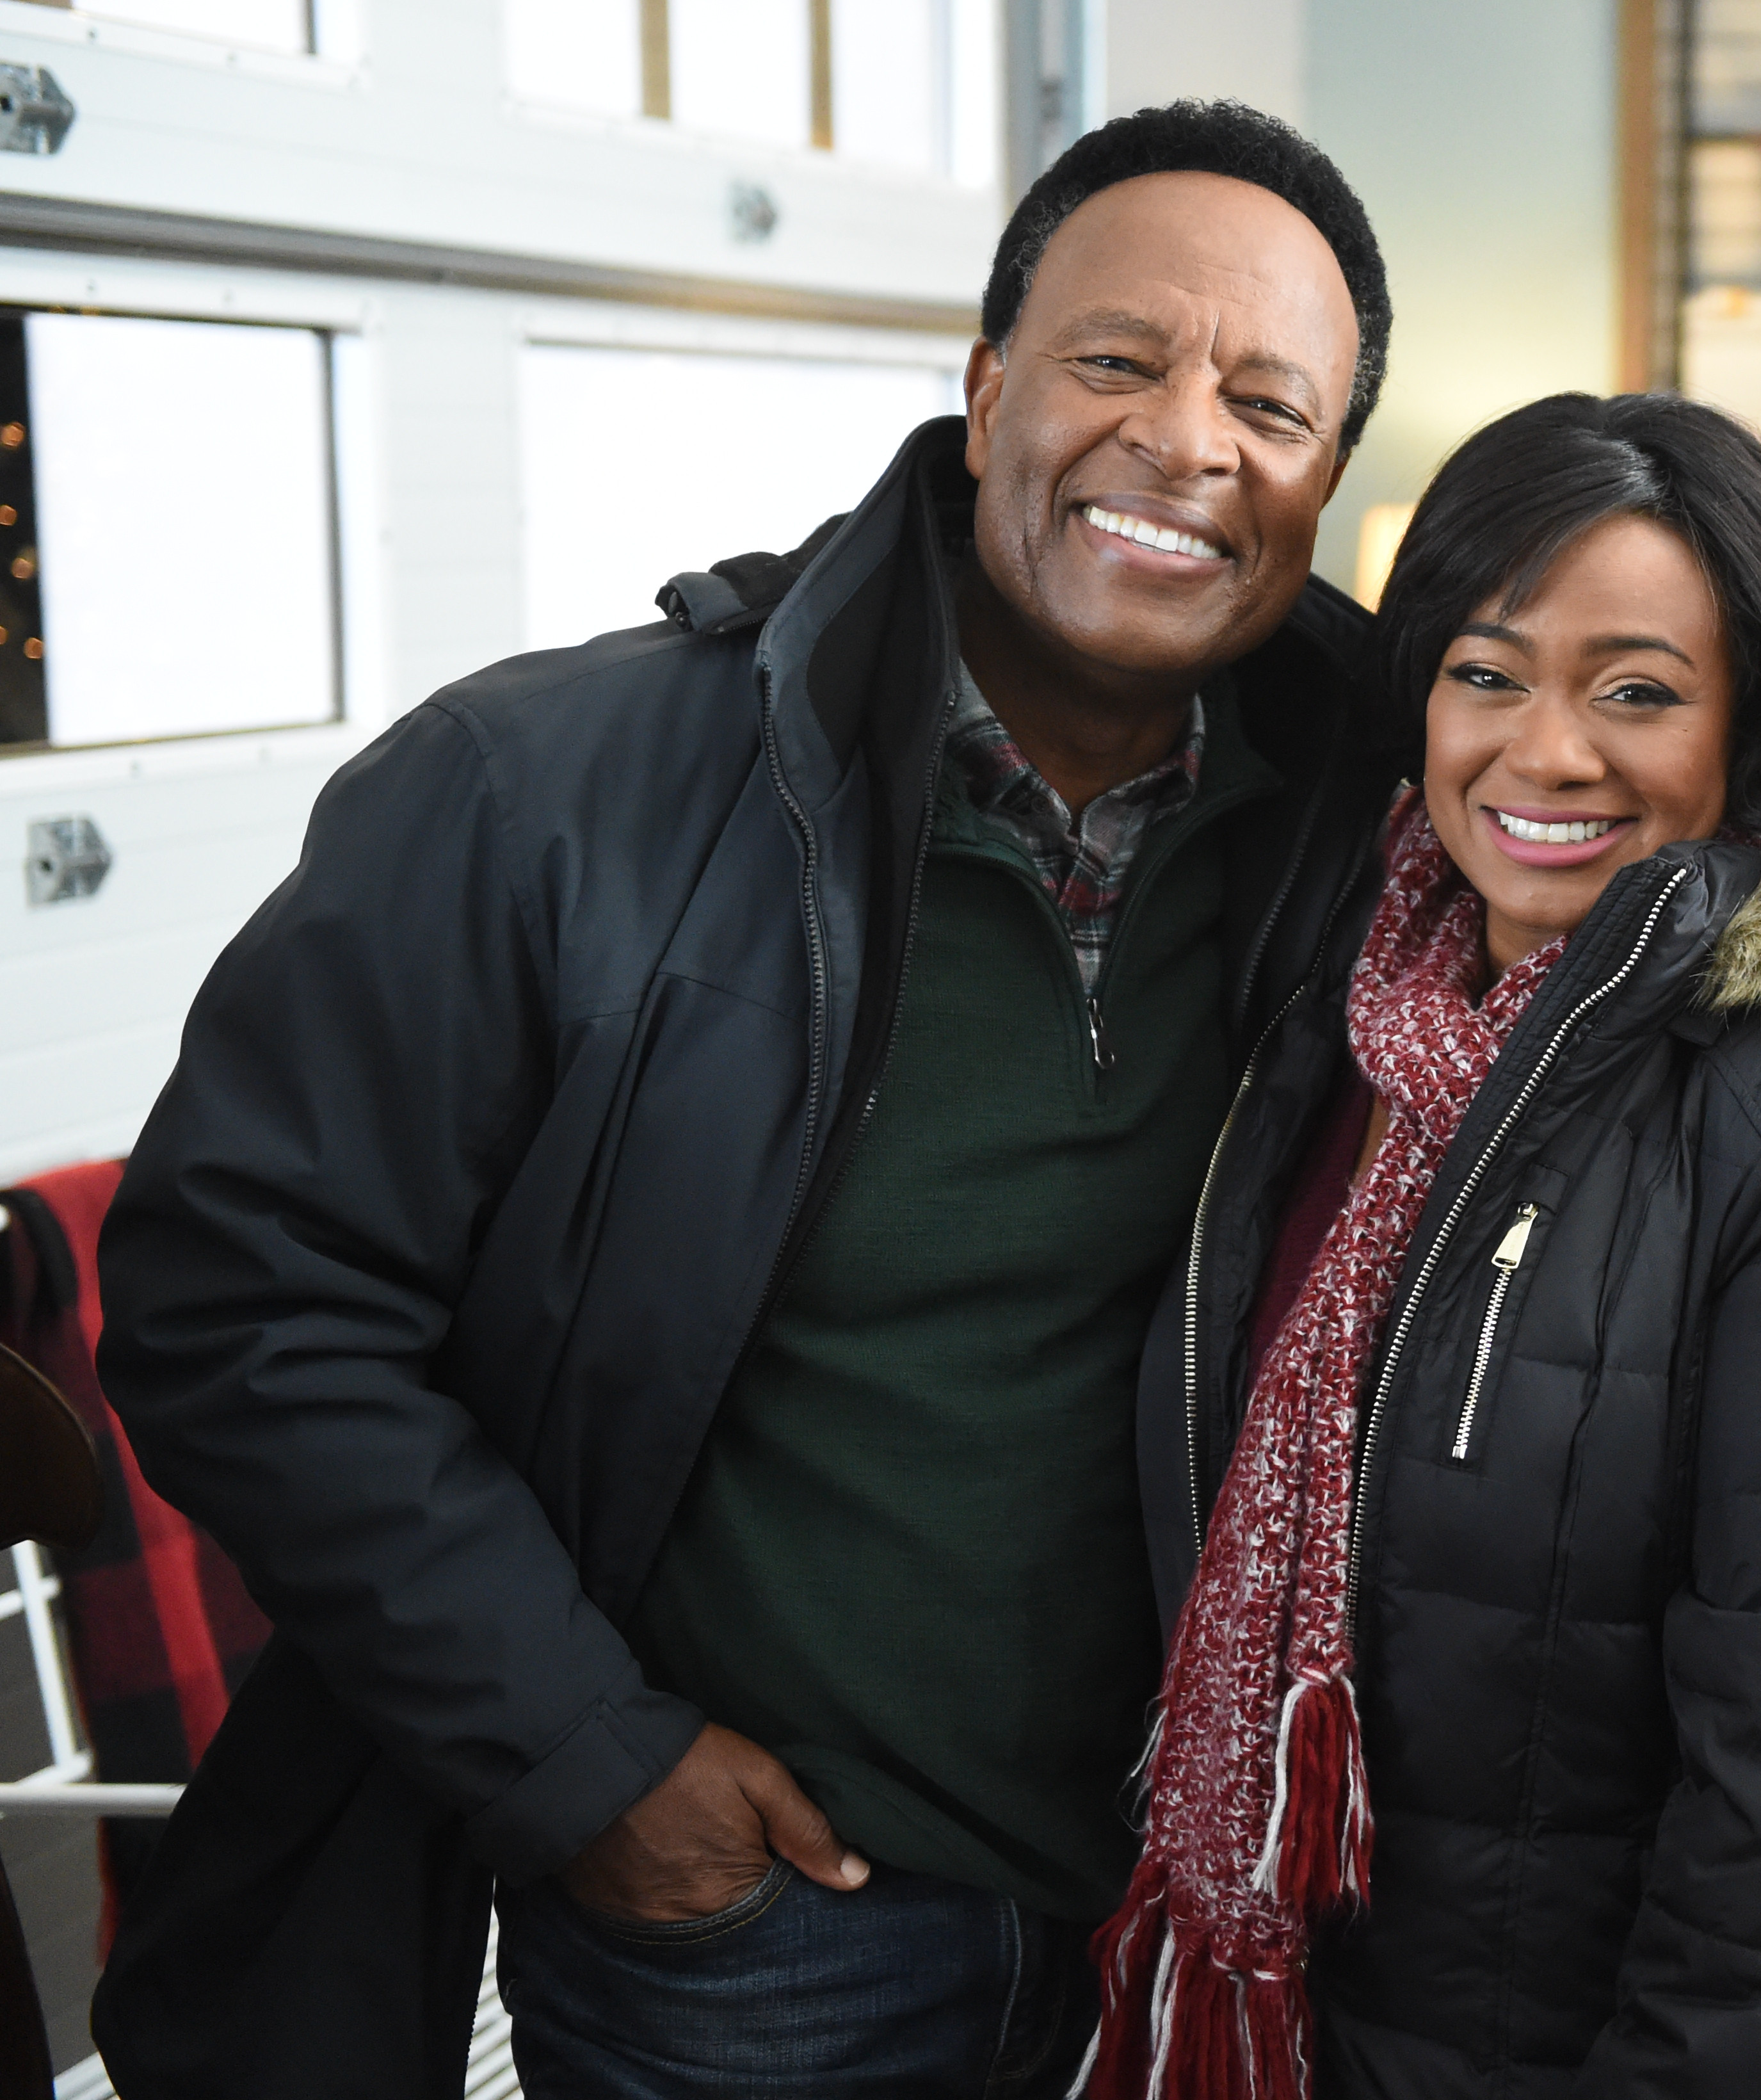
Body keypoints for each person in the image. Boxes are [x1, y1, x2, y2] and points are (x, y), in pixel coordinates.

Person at [90, 101, 1396, 2098]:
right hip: (764, 1941)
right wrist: (593, 1760)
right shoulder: (546, 791)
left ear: (1322, 486)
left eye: (1271, 406)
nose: (1187, 440)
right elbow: (238, 1304)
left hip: (1196, 1940)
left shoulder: (1384, 841)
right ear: (982, 394)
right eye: (1116, 360)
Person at [1085, 393, 1761, 2100]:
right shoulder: (1339, 1015)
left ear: (1752, 730)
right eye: (1488, 675)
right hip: (1272, 2021)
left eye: (1639, 692)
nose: (1548, 754)